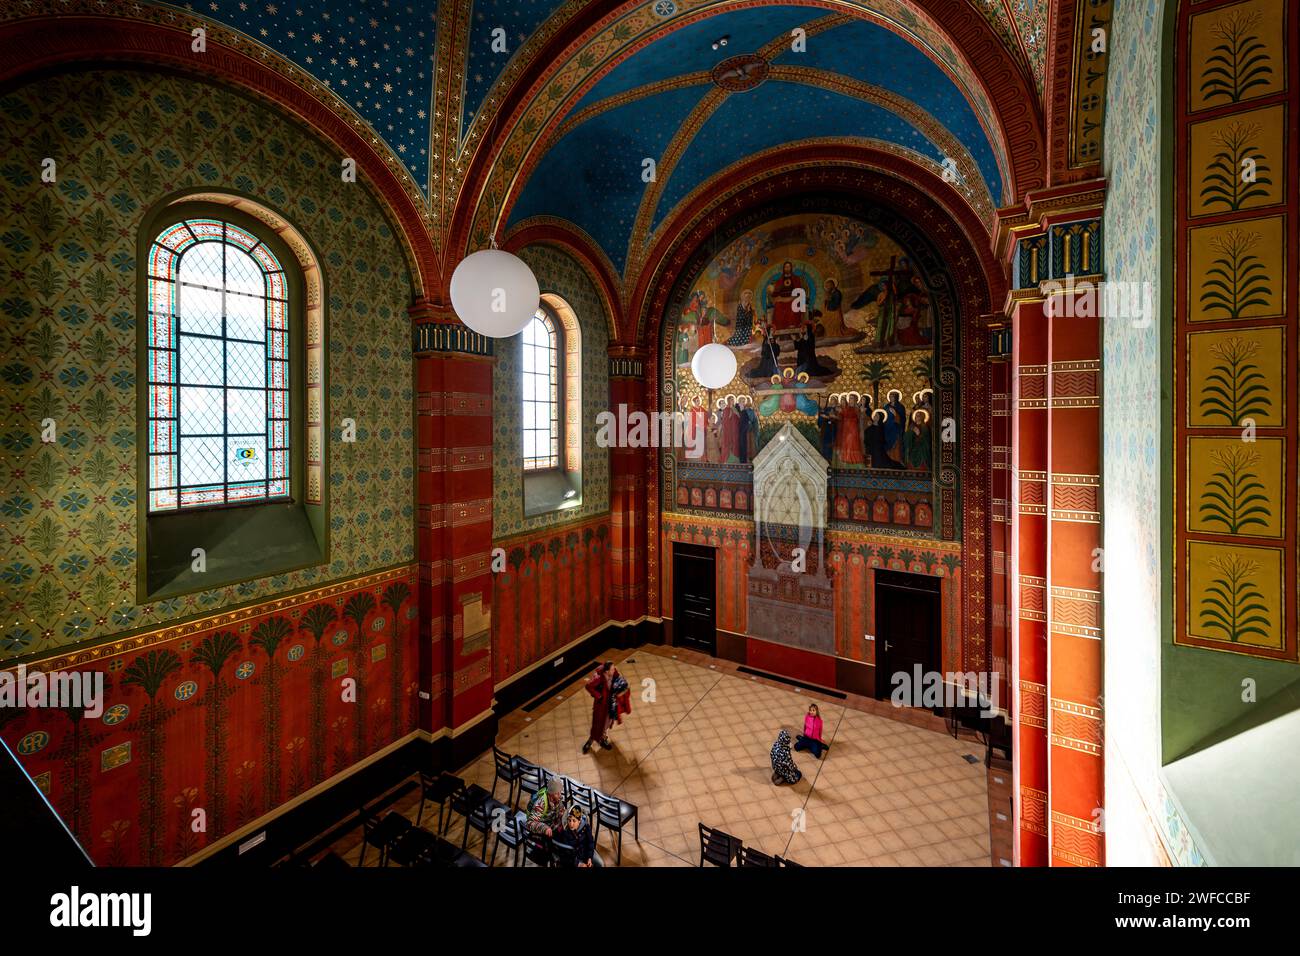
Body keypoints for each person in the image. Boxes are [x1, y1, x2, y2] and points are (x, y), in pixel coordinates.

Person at [581, 661, 630, 754]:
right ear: (607, 671)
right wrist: (599, 696)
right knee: (597, 724)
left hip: (611, 704)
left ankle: (603, 739)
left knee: (607, 723)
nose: (614, 670)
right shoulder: (599, 678)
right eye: (612, 669)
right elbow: (588, 686)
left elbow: (620, 683)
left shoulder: (615, 674)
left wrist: (622, 688)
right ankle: (590, 741)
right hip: (601, 706)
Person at [526, 775, 567, 842]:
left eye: (560, 792)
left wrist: (563, 813)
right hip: (543, 833)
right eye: (557, 793)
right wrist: (544, 828)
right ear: (550, 793)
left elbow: (561, 809)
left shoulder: (557, 797)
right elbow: (529, 823)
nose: (560, 795)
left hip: (553, 825)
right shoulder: (541, 803)